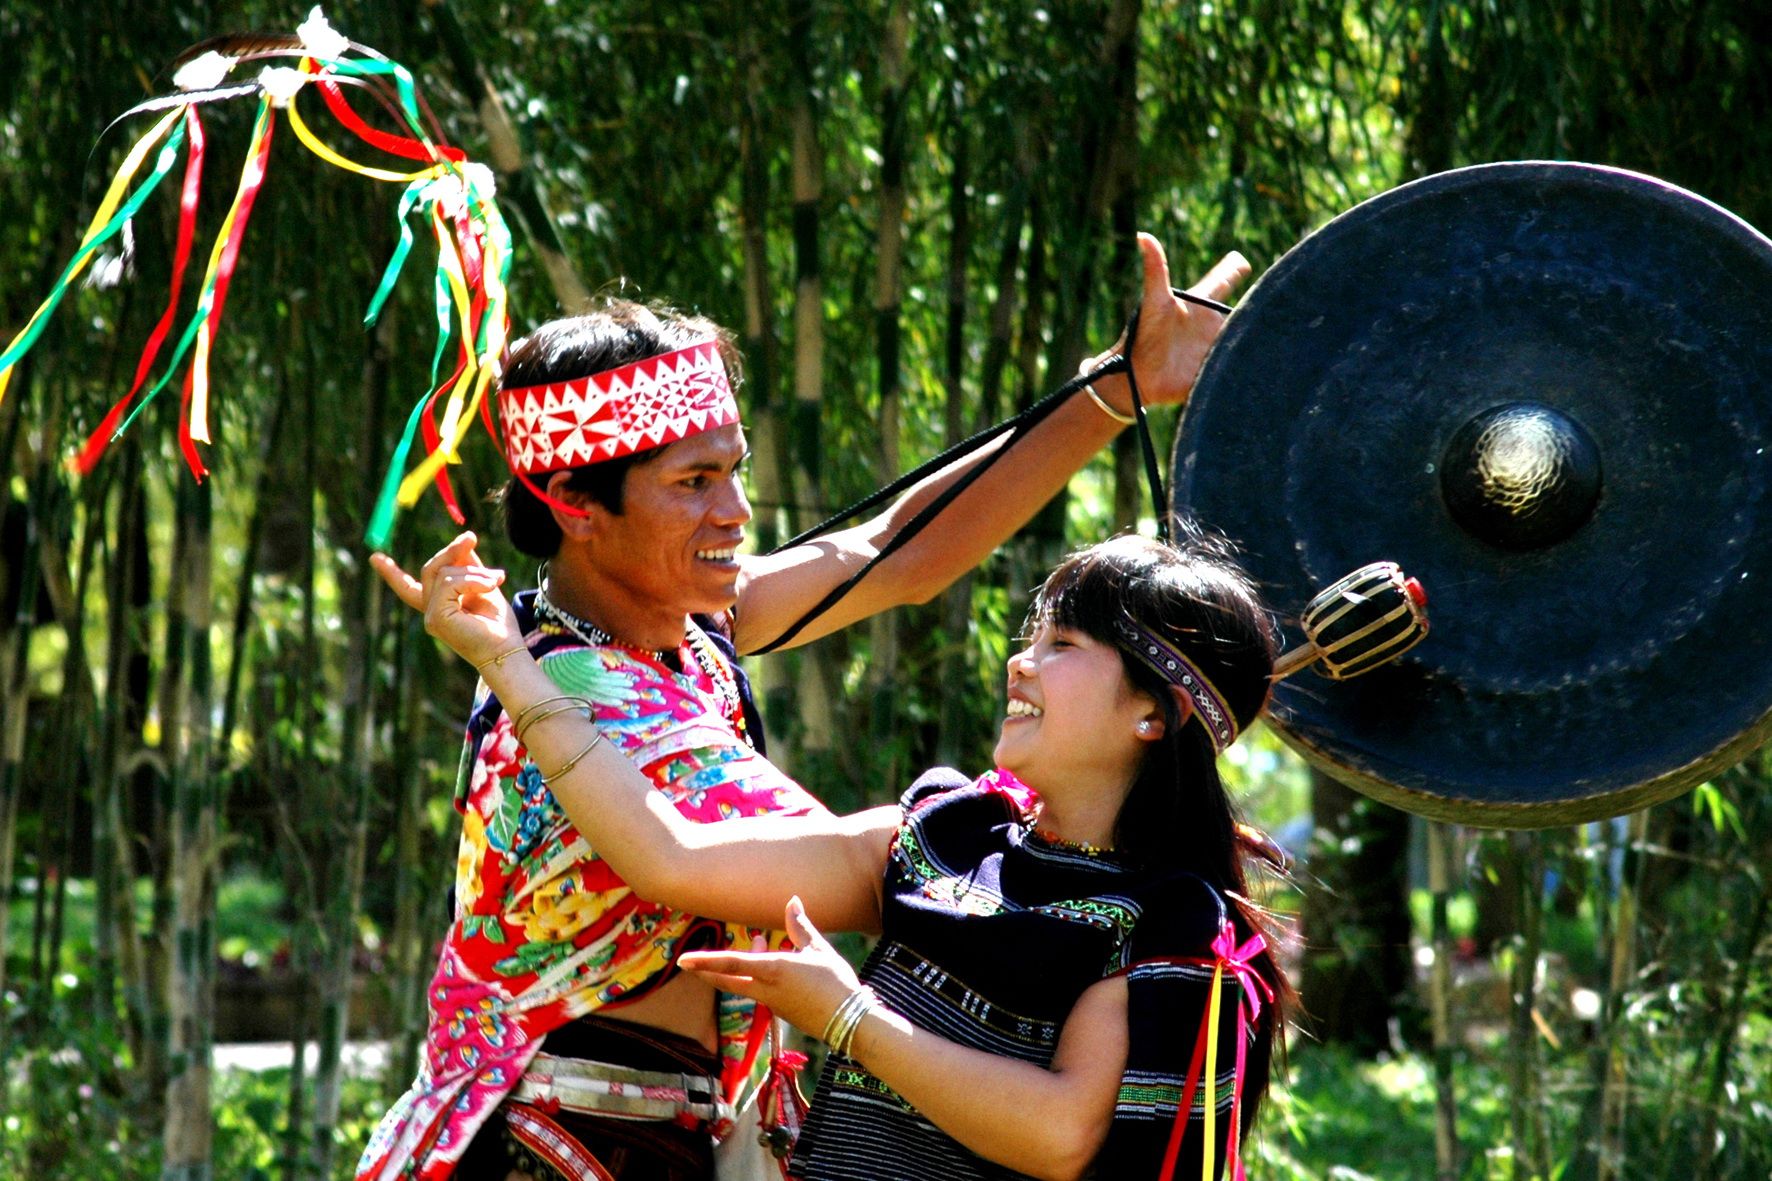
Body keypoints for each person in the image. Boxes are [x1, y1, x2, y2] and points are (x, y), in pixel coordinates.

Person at [356, 235, 1250, 1181]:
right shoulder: (582, 699)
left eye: (735, 468)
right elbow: (887, 879)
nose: (737, 511)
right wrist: (1071, 825)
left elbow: (894, 552)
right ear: (577, 501)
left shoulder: (679, 624)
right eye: (693, 483)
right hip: (560, 1141)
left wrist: (1119, 387)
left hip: (667, 1131)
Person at [373, 526, 1286, 1181]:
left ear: (1151, 713)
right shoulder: (945, 838)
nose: (1021, 662)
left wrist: (848, 1016)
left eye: (1065, 645)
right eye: (1031, 637)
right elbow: (671, 851)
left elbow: (1060, 1133)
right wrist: (509, 662)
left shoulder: (1160, 921)